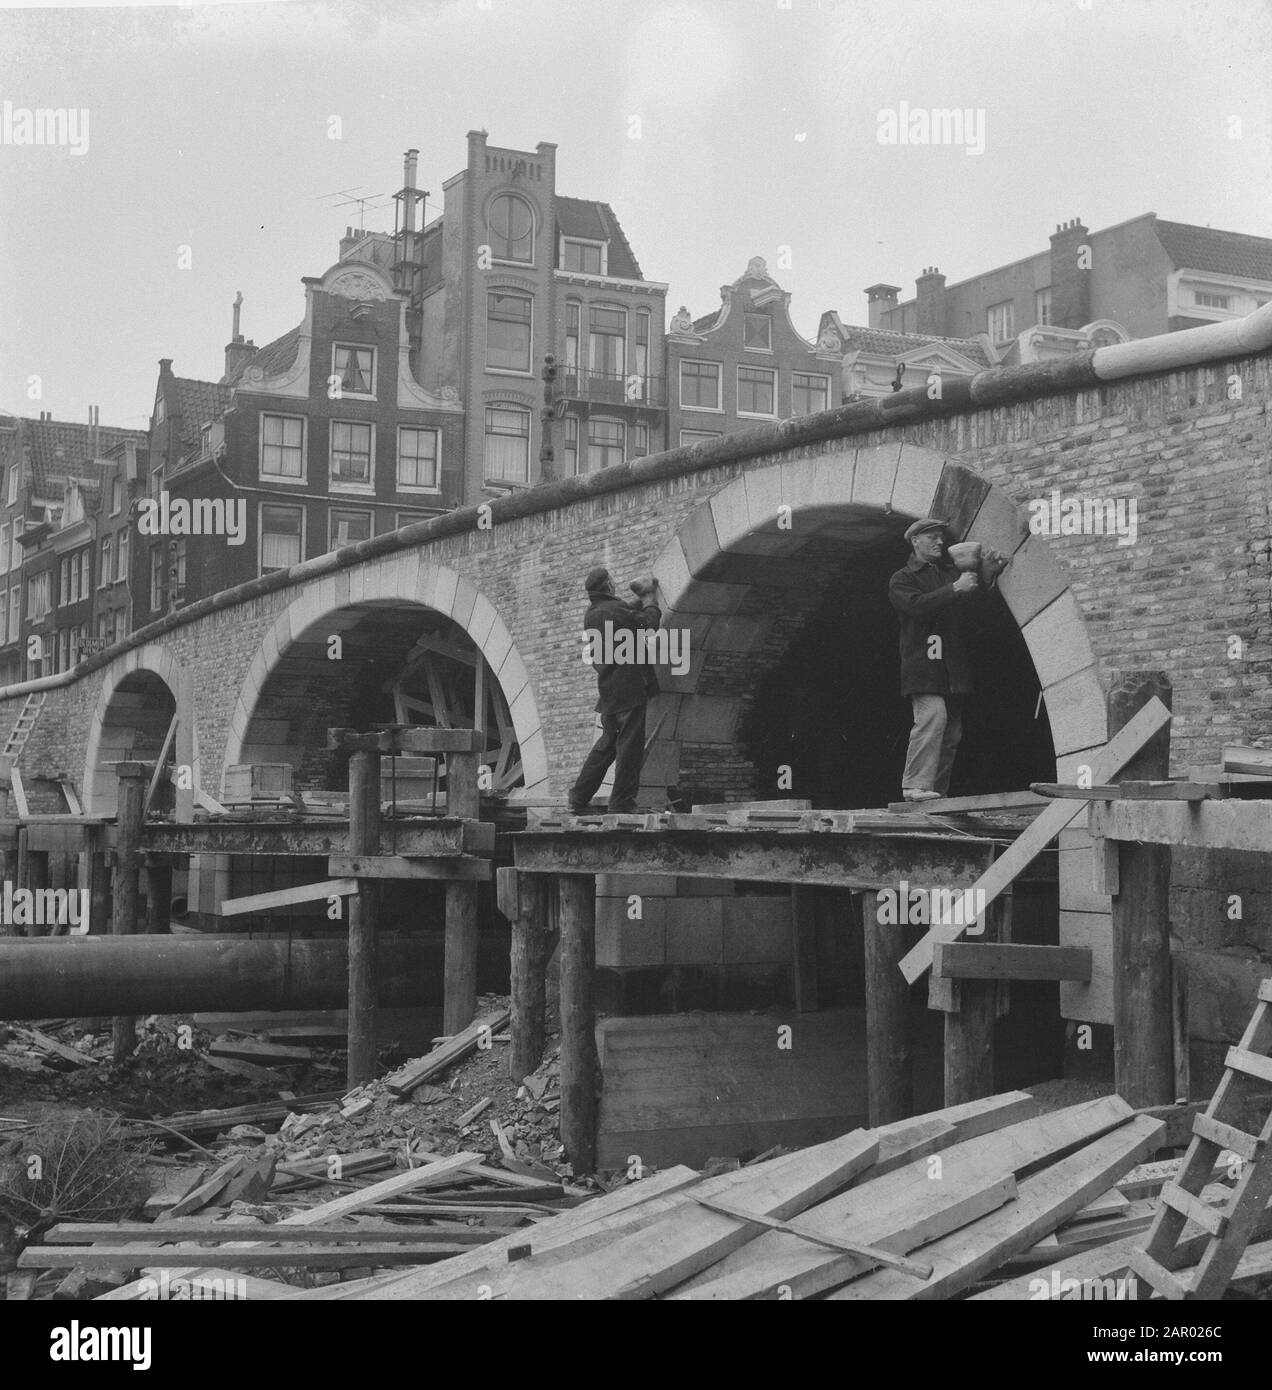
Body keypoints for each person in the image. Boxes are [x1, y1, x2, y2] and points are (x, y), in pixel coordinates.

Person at [888, 518, 988, 802]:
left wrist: (986, 575)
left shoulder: (949, 574)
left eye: (941, 537)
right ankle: (914, 786)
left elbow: (973, 611)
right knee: (933, 717)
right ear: (915, 541)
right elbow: (915, 607)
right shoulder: (903, 578)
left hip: (952, 670)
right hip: (923, 667)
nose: (940, 542)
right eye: (932, 537)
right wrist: (955, 588)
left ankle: (936, 793)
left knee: (952, 732)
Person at [568, 566, 661, 814]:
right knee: (629, 749)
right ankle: (621, 804)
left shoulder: (592, 613)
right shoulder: (615, 610)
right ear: (608, 585)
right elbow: (649, 625)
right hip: (630, 690)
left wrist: (636, 601)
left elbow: (623, 614)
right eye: (612, 581)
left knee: (606, 746)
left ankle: (578, 798)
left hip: (609, 691)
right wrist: (649, 597)